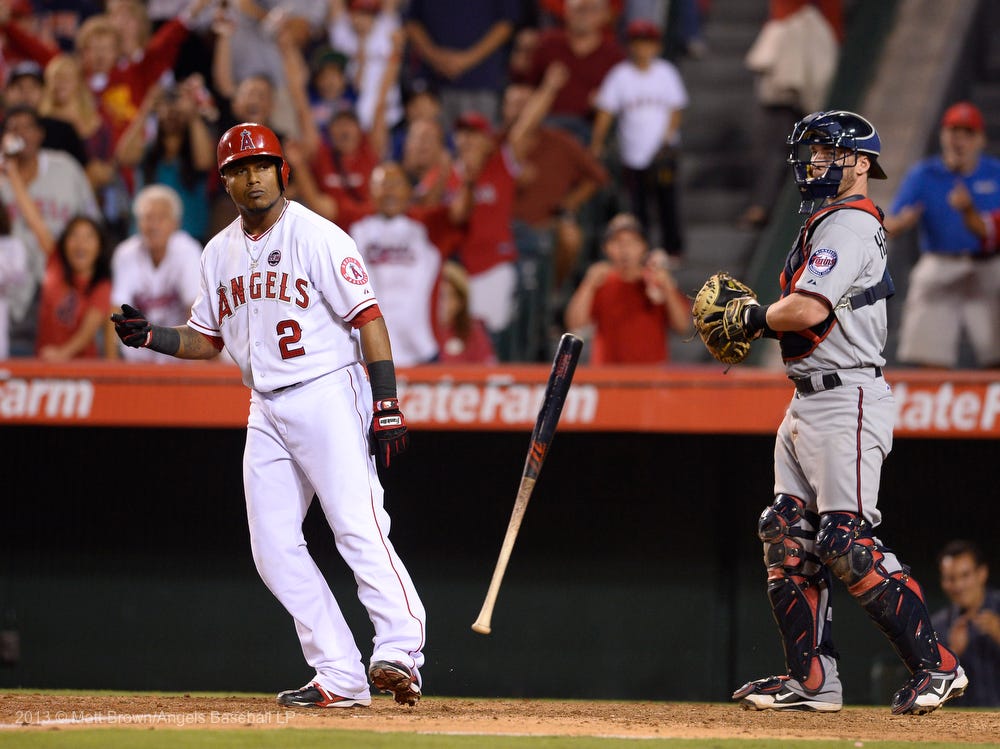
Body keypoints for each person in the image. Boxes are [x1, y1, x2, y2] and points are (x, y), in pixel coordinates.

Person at [110, 122, 425, 709]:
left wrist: (386, 401)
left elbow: (368, 318)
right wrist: (153, 336)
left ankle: (401, 651)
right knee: (273, 547)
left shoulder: (319, 235)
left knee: (357, 526)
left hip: (327, 390)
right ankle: (340, 674)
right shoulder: (217, 252)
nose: (251, 177)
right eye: (239, 169)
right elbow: (208, 339)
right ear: (225, 181)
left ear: (282, 171)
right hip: (265, 404)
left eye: (260, 165)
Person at [723, 110, 967, 715]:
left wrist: (752, 318)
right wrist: (761, 319)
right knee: (786, 533)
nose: (816, 162)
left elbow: (807, 310)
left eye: (828, 153)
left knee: (845, 541)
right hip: (808, 397)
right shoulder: (829, 220)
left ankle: (938, 666)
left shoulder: (849, 225)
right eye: (813, 152)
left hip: (846, 395)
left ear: (861, 164)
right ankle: (812, 682)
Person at [885, 102, 1000, 369]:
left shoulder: (995, 173)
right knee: (928, 357)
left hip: (987, 264)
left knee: (997, 355)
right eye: (953, 131)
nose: (959, 139)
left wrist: (968, 210)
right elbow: (889, 225)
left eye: (968, 132)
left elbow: (989, 229)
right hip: (941, 261)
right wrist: (901, 223)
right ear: (943, 136)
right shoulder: (924, 174)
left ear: (980, 139)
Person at [0, 105, 101, 356]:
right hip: (10, 291)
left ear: (40, 133)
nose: (22, 134)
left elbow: (93, 224)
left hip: (63, 281)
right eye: (14, 129)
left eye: (28, 127)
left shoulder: (65, 168)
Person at [590, 19, 688, 260]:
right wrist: (596, 143)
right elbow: (606, 111)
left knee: (667, 203)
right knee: (638, 207)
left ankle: (673, 251)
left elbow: (676, 109)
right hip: (633, 154)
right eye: (637, 42)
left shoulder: (665, 72)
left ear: (656, 46)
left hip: (662, 152)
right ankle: (642, 254)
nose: (642, 48)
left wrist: (667, 139)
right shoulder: (620, 75)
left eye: (647, 42)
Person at [563, 212, 688, 364]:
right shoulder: (600, 282)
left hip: (652, 374)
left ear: (643, 247)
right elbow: (575, 324)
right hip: (608, 374)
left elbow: (683, 326)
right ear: (606, 248)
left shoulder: (655, 282)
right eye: (617, 242)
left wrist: (668, 288)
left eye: (632, 242)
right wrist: (588, 284)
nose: (625, 250)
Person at [107, 185, 203, 362]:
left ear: (176, 223)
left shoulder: (188, 251)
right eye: (148, 217)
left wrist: (198, 367)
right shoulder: (125, 253)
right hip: (137, 354)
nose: (154, 225)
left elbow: (196, 312)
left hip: (179, 351)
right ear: (138, 223)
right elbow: (115, 311)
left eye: (162, 217)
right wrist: (111, 367)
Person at [931, 540, 1000, 707]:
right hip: (962, 720)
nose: (958, 586)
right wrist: (953, 653)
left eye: (965, 575)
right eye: (950, 578)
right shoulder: (936, 626)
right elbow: (929, 692)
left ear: (982, 573)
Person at [434, 260, 497, 364]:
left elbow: (488, 367)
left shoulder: (473, 332)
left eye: (448, 296)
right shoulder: (415, 330)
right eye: (437, 296)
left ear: (461, 301)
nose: (441, 303)